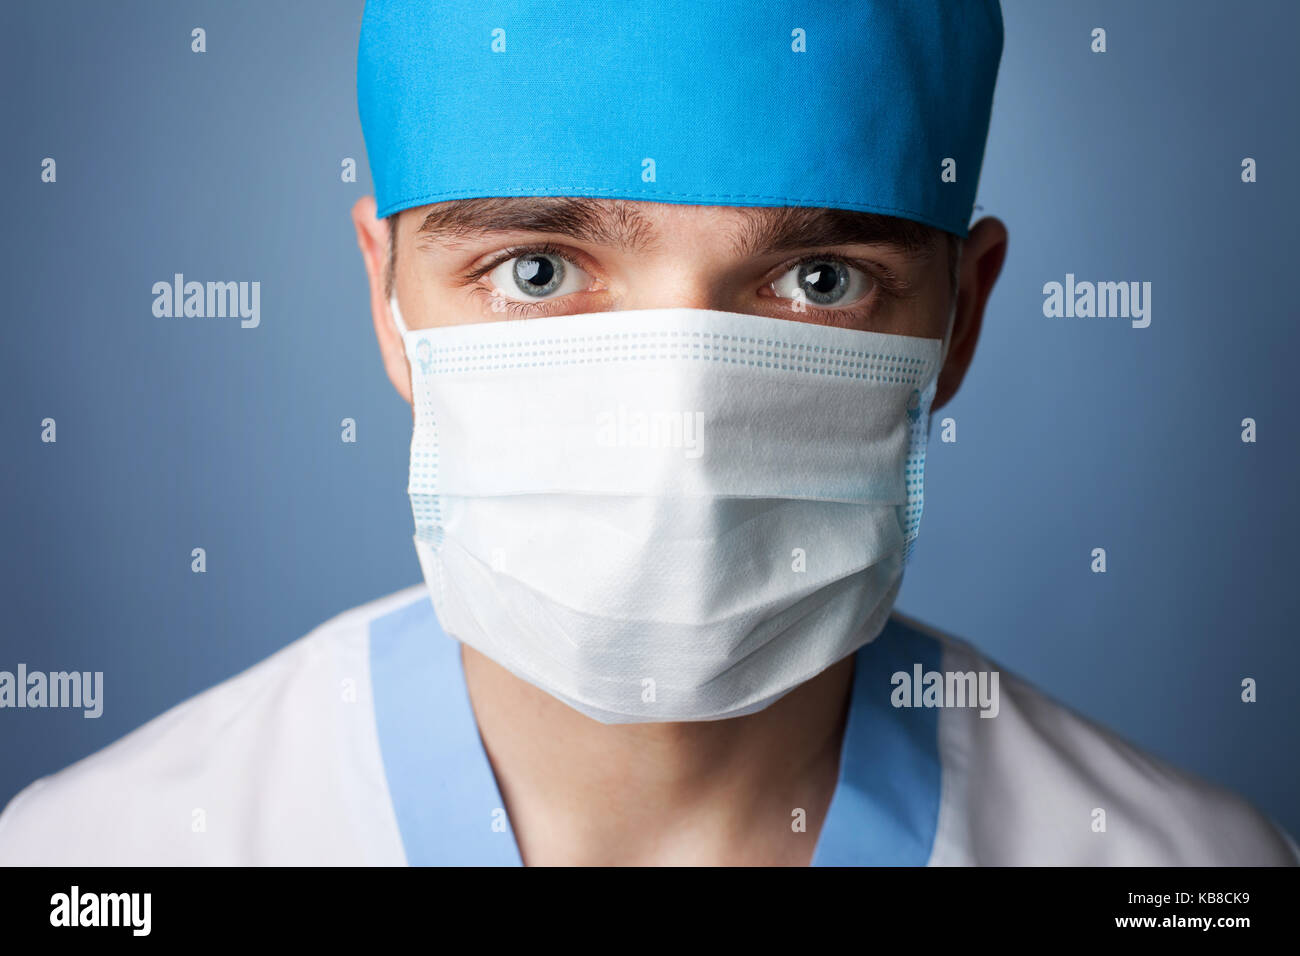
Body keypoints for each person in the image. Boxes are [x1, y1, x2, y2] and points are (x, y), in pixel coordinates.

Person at [1, 0, 1295, 867]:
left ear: (959, 323)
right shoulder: (102, 857)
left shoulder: (1189, 873)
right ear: (388, 305)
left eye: (821, 280)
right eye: (539, 273)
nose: (677, 434)